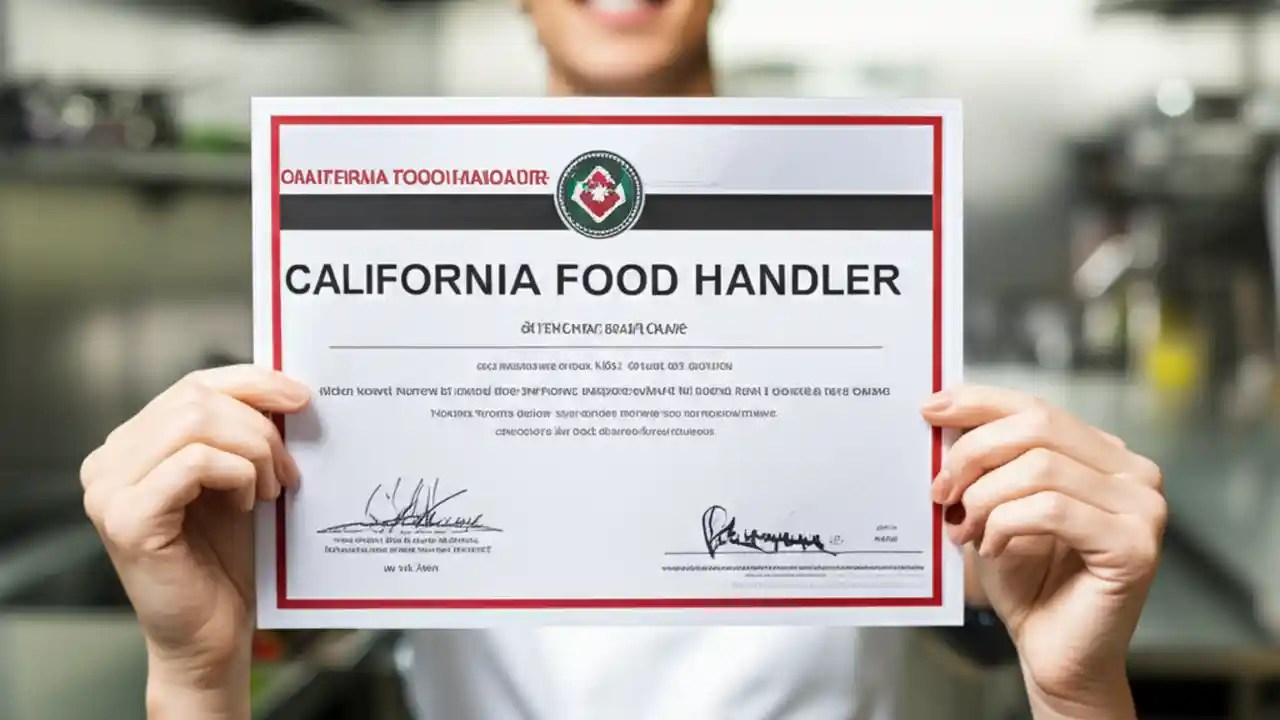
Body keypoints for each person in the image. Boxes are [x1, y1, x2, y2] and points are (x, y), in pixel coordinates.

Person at [80, 1, 1168, 718]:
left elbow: (968, 574)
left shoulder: (867, 228)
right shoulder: (386, 241)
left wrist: (1059, 658)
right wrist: (194, 675)